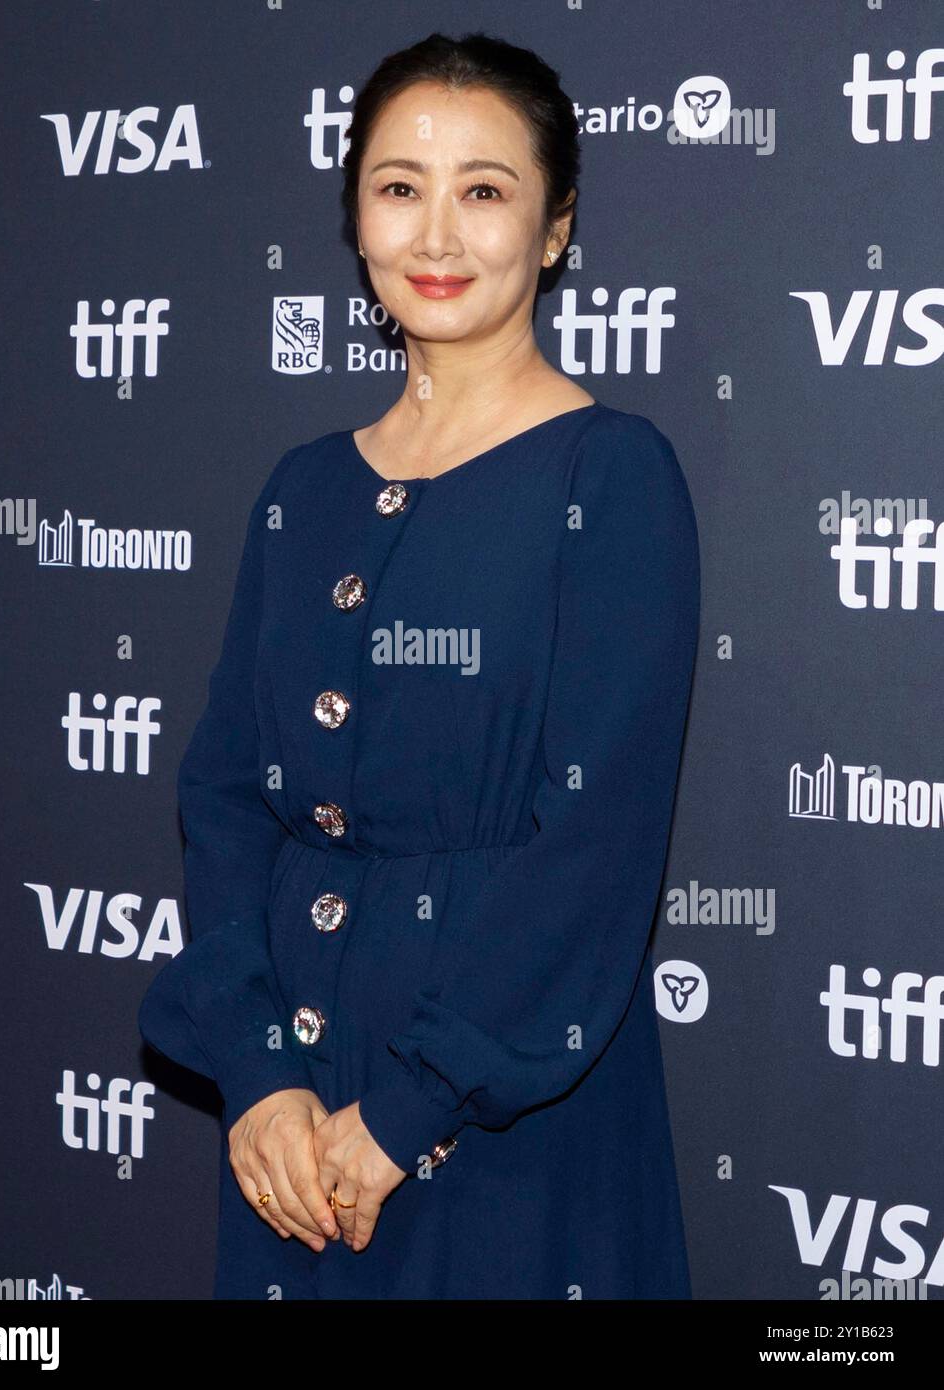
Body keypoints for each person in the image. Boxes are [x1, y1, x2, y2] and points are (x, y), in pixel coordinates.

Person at [139, 30, 700, 1300]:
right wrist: (260, 1071)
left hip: (508, 1127)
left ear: (555, 227)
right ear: (354, 217)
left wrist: (408, 1112)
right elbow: (225, 796)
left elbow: (596, 845)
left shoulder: (610, 478)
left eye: (484, 190)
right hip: (289, 1118)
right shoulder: (302, 489)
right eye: (399, 187)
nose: (435, 234)